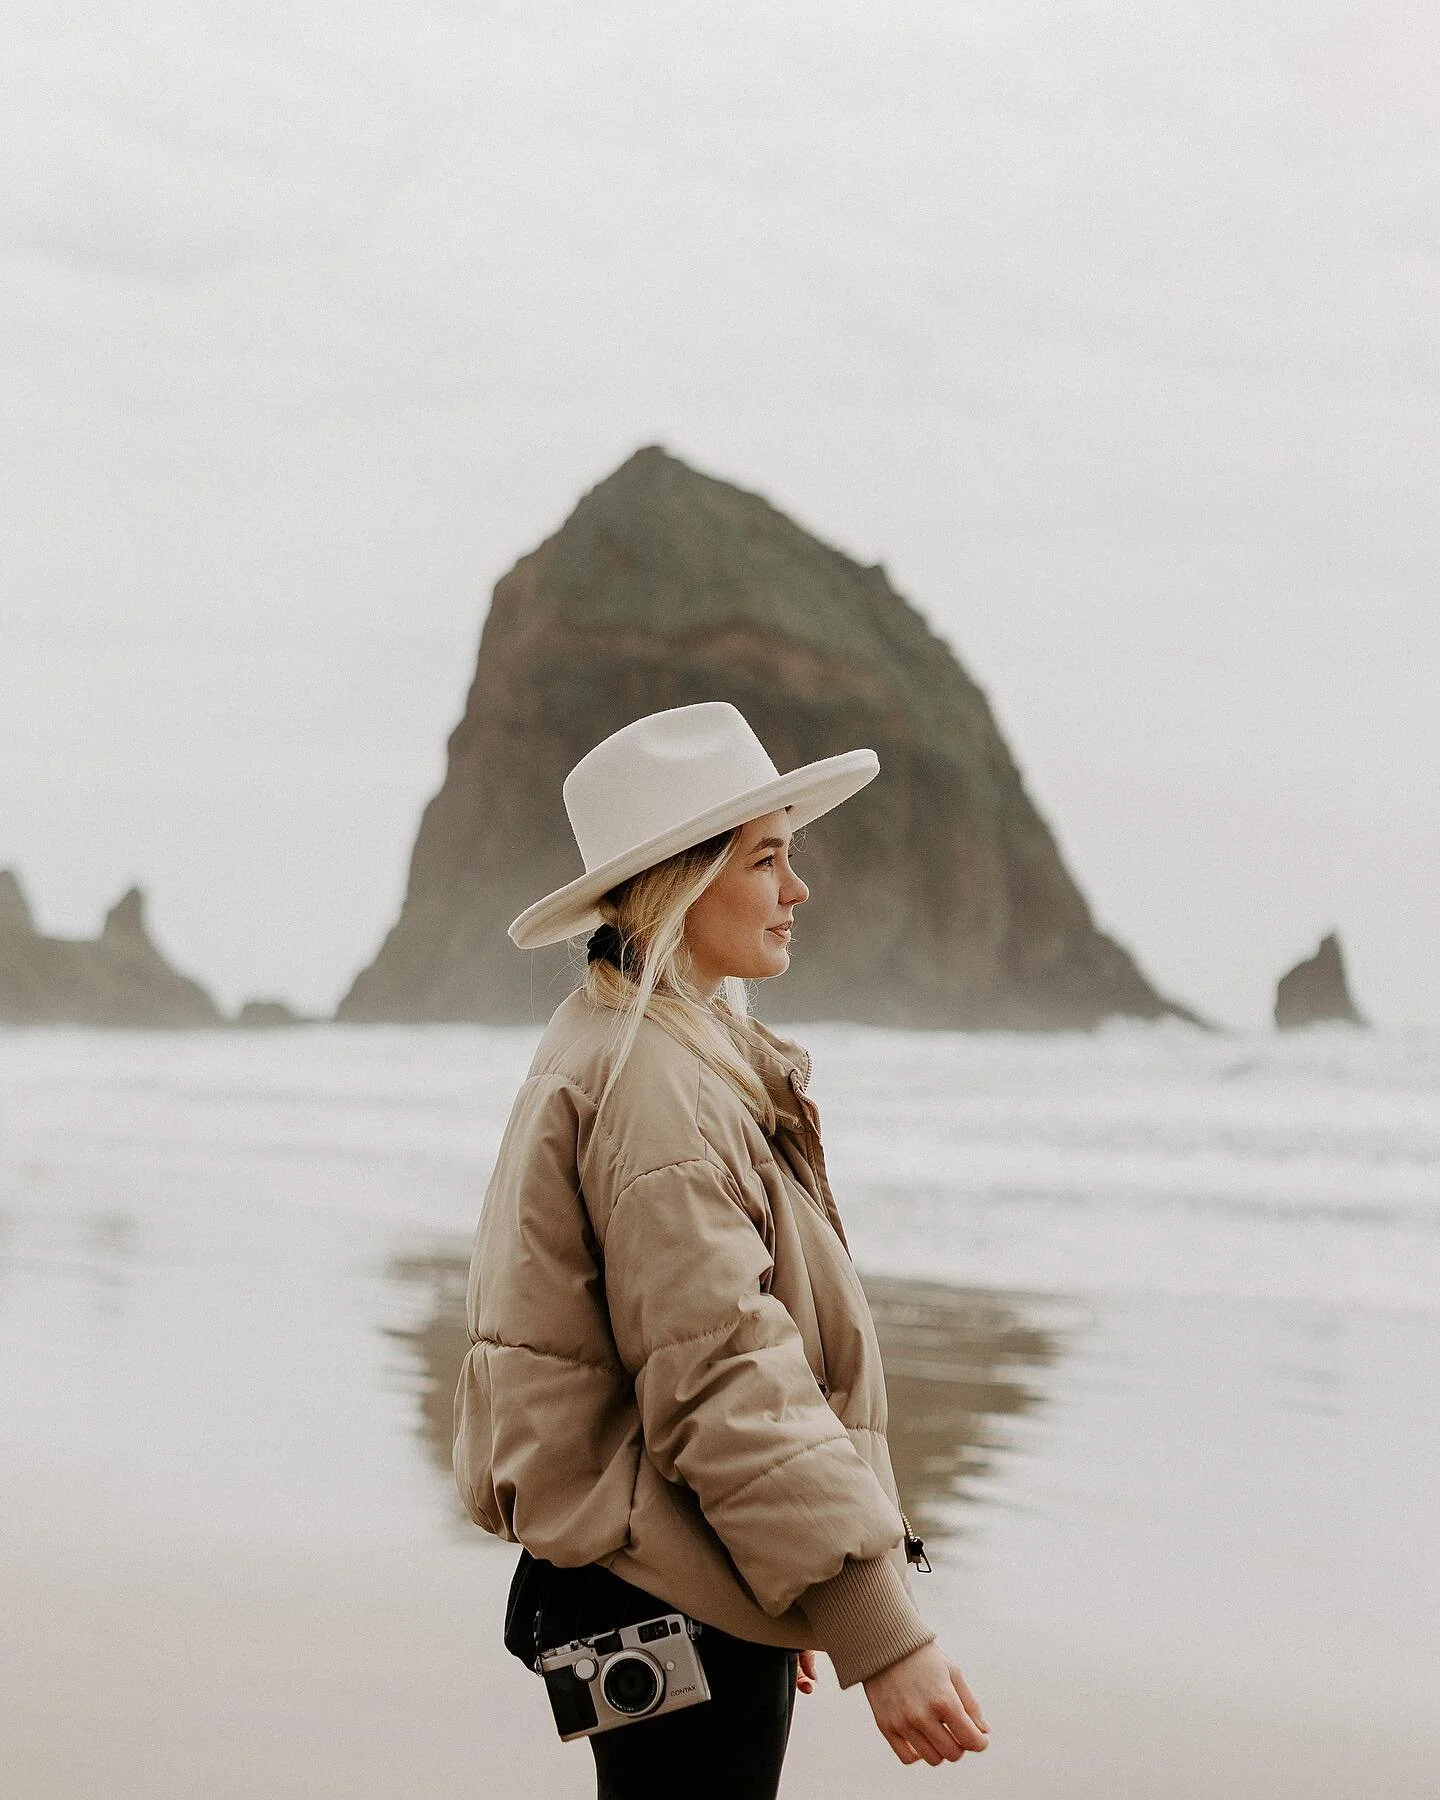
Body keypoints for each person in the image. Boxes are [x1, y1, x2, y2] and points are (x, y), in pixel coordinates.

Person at [454, 702, 989, 1798]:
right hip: (665, 1593)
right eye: (768, 858)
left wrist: (775, 1580)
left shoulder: (625, 1041)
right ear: (683, 882)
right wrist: (873, 1628)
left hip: (652, 1576)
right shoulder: (657, 1080)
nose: (799, 891)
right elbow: (723, 1371)